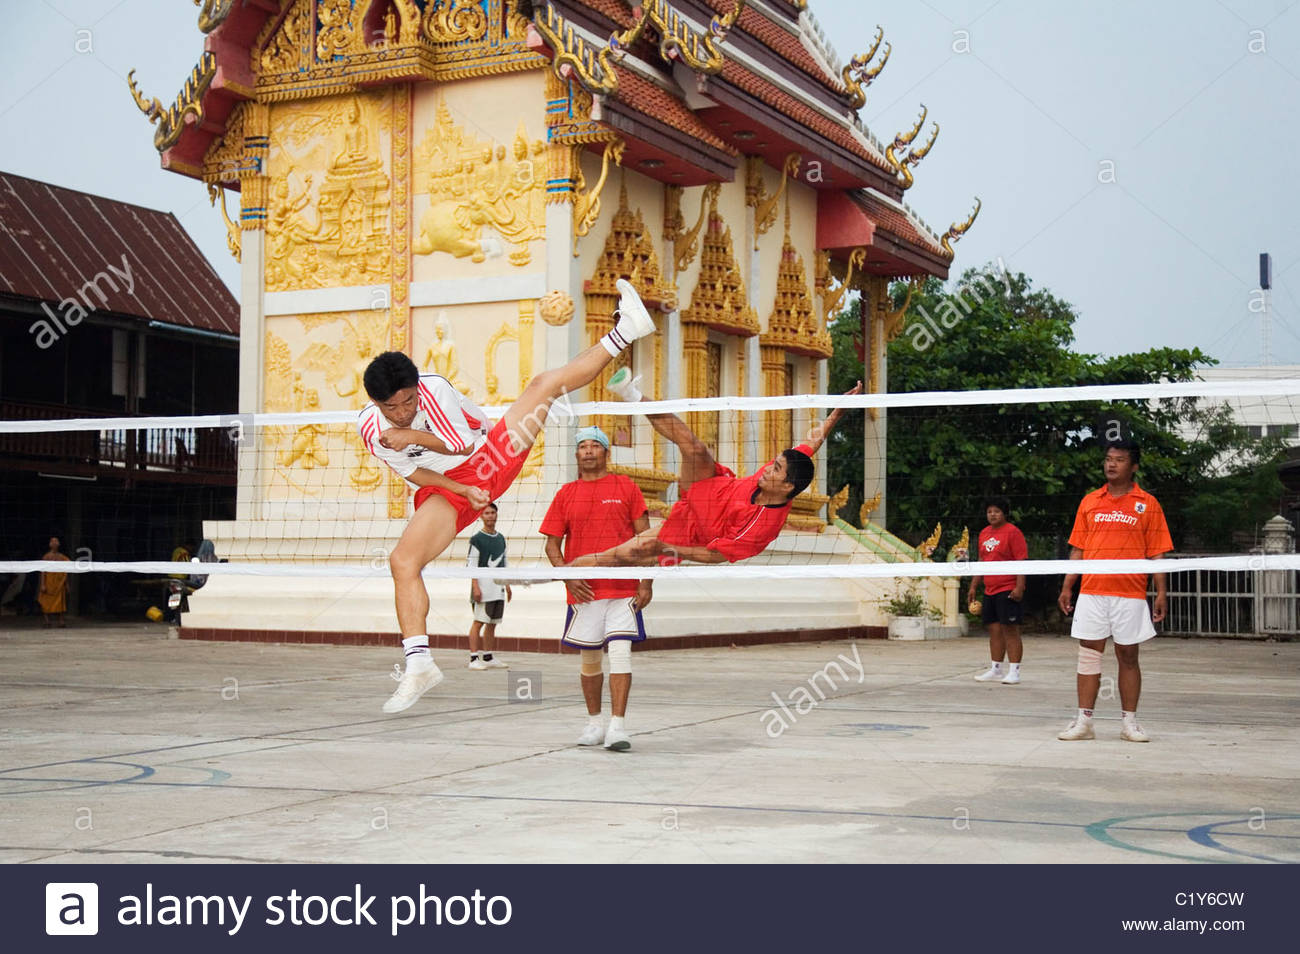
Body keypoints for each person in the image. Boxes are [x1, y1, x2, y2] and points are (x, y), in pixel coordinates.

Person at [358, 278, 657, 713]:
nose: (400, 411)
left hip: (489, 456)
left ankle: (626, 328)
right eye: (391, 408)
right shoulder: (370, 426)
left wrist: (409, 432)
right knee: (402, 561)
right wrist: (462, 490)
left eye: (406, 402)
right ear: (375, 404)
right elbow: (417, 473)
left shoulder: (435, 390)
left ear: (417, 388)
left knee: (543, 387)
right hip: (451, 488)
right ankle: (419, 662)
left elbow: (458, 446)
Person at [568, 372, 863, 567]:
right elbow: (815, 439)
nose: (767, 470)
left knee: (624, 554)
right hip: (710, 485)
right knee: (694, 447)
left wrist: (665, 546)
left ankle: (561, 574)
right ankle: (631, 394)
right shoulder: (790, 468)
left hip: (697, 532)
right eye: (773, 463)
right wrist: (837, 410)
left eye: (775, 470)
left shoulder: (761, 527)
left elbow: (715, 555)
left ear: (787, 487)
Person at [540, 425, 652, 751]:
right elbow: (552, 546)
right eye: (583, 446)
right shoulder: (566, 494)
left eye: (595, 445)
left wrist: (647, 582)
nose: (589, 450)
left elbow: (646, 540)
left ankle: (618, 728)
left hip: (623, 589)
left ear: (607, 452)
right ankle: (594, 724)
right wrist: (567, 576)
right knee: (589, 660)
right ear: (576, 454)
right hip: (584, 592)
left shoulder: (626, 487)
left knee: (620, 654)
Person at [1057, 439, 1172, 743]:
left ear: (1133, 466)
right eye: (1108, 459)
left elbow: (1157, 553)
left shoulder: (1147, 503)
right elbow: (1078, 549)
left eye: (1119, 460)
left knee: (1128, 656)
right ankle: (1084, 721)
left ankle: (1129, 723)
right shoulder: (1090, 501)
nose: (1111, 464)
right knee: (1088, 655)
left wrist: (1161, 592)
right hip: (1093, 590)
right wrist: (1068, 585)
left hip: (1130, 591)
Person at [968, 497, 1028, 684]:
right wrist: (973, 585)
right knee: (994, 630)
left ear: (1004, 513)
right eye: (989, 512)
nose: (992, 515)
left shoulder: (1013, 532)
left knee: (1010, 629)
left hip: (1008, 587)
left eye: (996, 511)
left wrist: (1019, 587)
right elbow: (981, 561)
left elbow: (1021, 561)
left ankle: (1015, 671)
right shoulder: (984, 533)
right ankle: (996, 669)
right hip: (990, 589)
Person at [466, 502, 510, 670]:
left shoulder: (500, 538)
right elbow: (472, 565)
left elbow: (504, 563)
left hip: (498, 588)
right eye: (487, 513)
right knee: (479, 622)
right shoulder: (477, 539)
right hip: (483, 588)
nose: (490, 515)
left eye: (493, 512)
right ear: (481, 516)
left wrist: (507, 585)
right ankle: (473, 658)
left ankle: (488, 656)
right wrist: (475, 587)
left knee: (493, 623)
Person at [38, 536, 71, 628]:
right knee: (46, 602)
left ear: (59, 544)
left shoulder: (63, 557)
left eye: (56, 541)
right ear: (50, 544)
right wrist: (42, 584)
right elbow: (43, 571)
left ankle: (61, 620)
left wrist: (66, 583)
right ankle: (47, 621)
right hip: (48, 582)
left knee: (60, 602)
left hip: (59, 583)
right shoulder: (46, 556)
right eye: (52, 541)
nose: (54, 543)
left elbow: (67, 570)